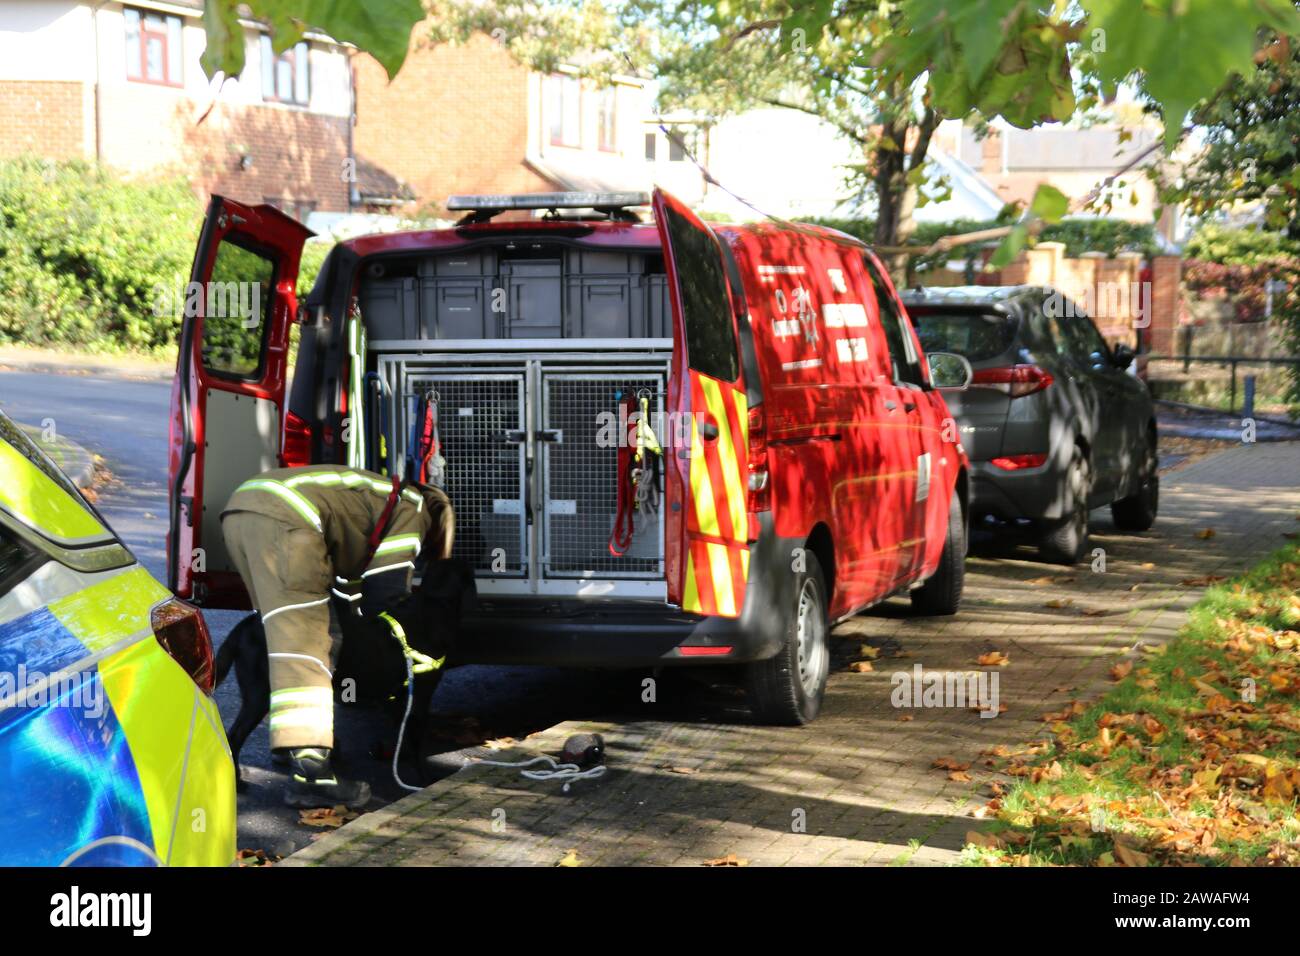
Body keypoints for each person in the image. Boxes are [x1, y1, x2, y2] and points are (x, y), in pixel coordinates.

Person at [221, 464, 454, 808]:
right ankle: (311, 776)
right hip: (286, 520)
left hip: (243, 512)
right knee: (306, 647)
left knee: (287, 636)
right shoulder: (414, 510)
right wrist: (407, 622)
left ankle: (286, 752)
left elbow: (349, 592)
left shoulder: (376, 501)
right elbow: (386, 589)